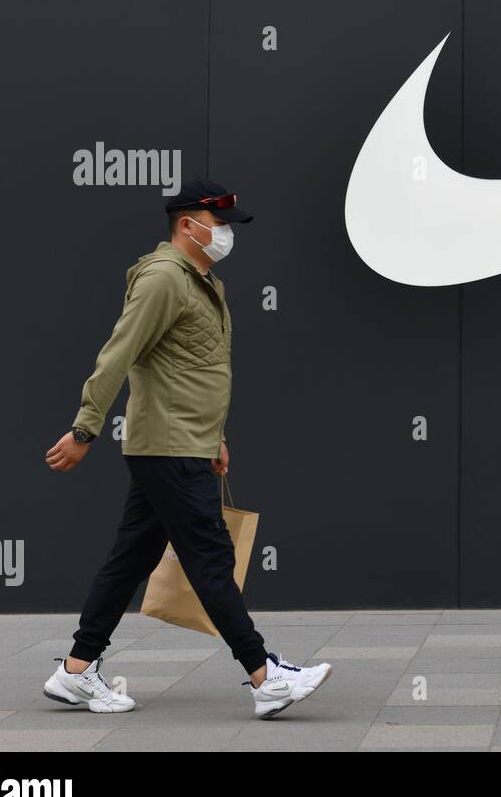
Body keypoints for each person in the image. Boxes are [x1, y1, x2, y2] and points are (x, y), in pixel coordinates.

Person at [42, 180, 331, 719]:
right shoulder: (162, 281)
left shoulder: (201, 281)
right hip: (169, 448)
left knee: (132, 558)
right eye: (217, 224)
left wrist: (214, 436)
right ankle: (264, 676)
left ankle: (76, 671)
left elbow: (193, 369)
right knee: (210, 559)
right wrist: (85, 430)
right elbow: (118, 353)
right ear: (186, 225)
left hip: (183, 443)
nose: (224, 234)